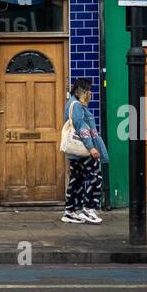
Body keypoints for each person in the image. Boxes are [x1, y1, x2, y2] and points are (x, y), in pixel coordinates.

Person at [62, 79, 103, 225]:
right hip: (83, 150)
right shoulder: (77, 105)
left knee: (77, 179)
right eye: (88, 90)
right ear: (81, 91)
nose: (90, 93)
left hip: (75, 151)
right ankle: (88, 209)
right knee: (95, 177)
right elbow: (82, 128)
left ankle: (70, 211)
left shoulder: (73, 103)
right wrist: (91, 147)